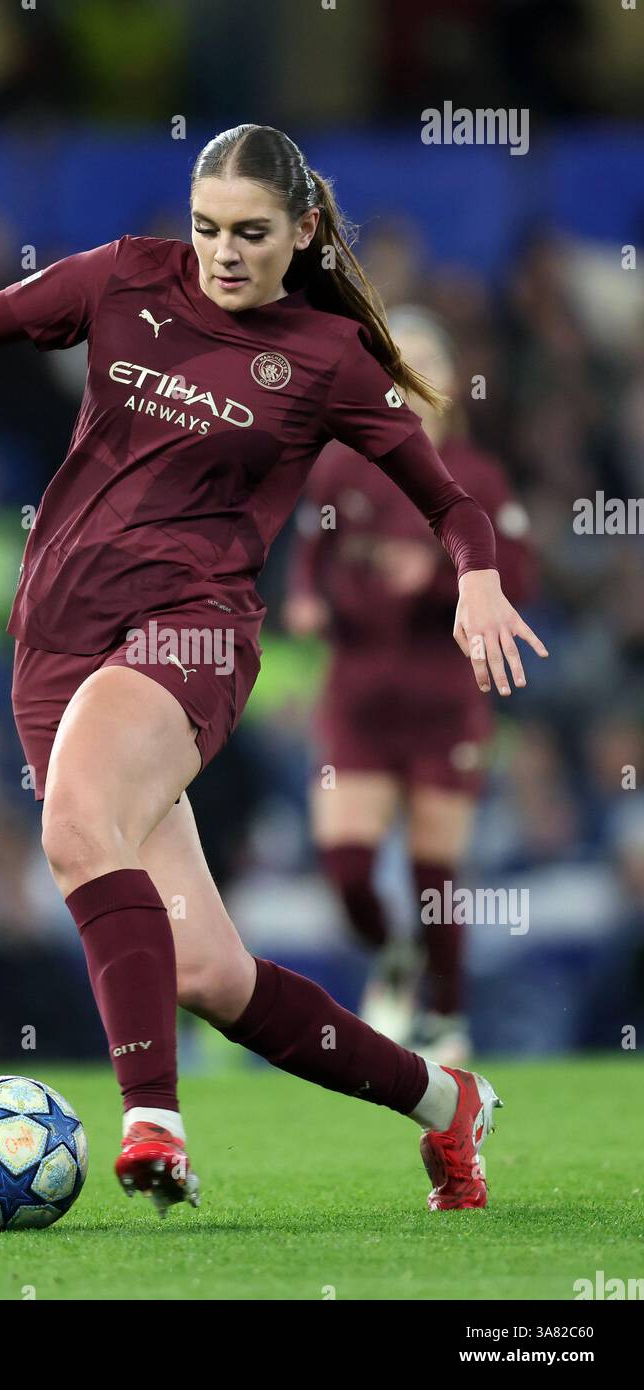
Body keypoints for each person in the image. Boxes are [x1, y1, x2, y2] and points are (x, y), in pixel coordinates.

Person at [0, 124, 547, 1215]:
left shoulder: (327, 358)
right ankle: (449, 1103)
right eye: (205, 229)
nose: (223, 253)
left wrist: (477, 577)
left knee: (71, 827)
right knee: (205, 973)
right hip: (53, 642)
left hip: (189, 632)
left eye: (251, 233)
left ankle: (152, 1118)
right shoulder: (120, 278)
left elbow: (454, 502)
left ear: (302, 233)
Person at [285, 306, 536, 1063]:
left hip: (442, 700)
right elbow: (311, 552)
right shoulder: (342, 466)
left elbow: (516, 579)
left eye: (430, 358)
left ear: (453, 382)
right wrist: (304, 599)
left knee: (436, 871)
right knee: (348, 870)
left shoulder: (481, 480)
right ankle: (394, 953)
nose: (414, 374)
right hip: (358, 699)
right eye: (401, 358)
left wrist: (442, 581)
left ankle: (449, 1018)